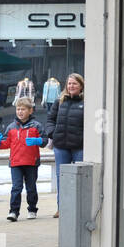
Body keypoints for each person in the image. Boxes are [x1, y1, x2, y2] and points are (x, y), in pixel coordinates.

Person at [0, 97, 46, 222]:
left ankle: (32, 209)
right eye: (18, 109)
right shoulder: (11, 127)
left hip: (31, 162)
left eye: (23, 109)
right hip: (16, 162)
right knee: (16, 187)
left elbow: (45, 141)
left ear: (30, 111)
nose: (20, 112)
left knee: (31, 187)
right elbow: (6, 143)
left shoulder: (36, 126)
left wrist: (38, 141)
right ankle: (13, 211)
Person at [44, 72, 85, 218]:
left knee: (81, 177)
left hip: (79, 147)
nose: (71, 86)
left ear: (81, 85)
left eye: (74, 83)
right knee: (62, 178)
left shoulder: (86, 102)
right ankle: (62, 208)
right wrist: (52, 133)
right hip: (61, 146)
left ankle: (80, 208)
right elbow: (50, 120)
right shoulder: (59, 102)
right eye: (69, 83)